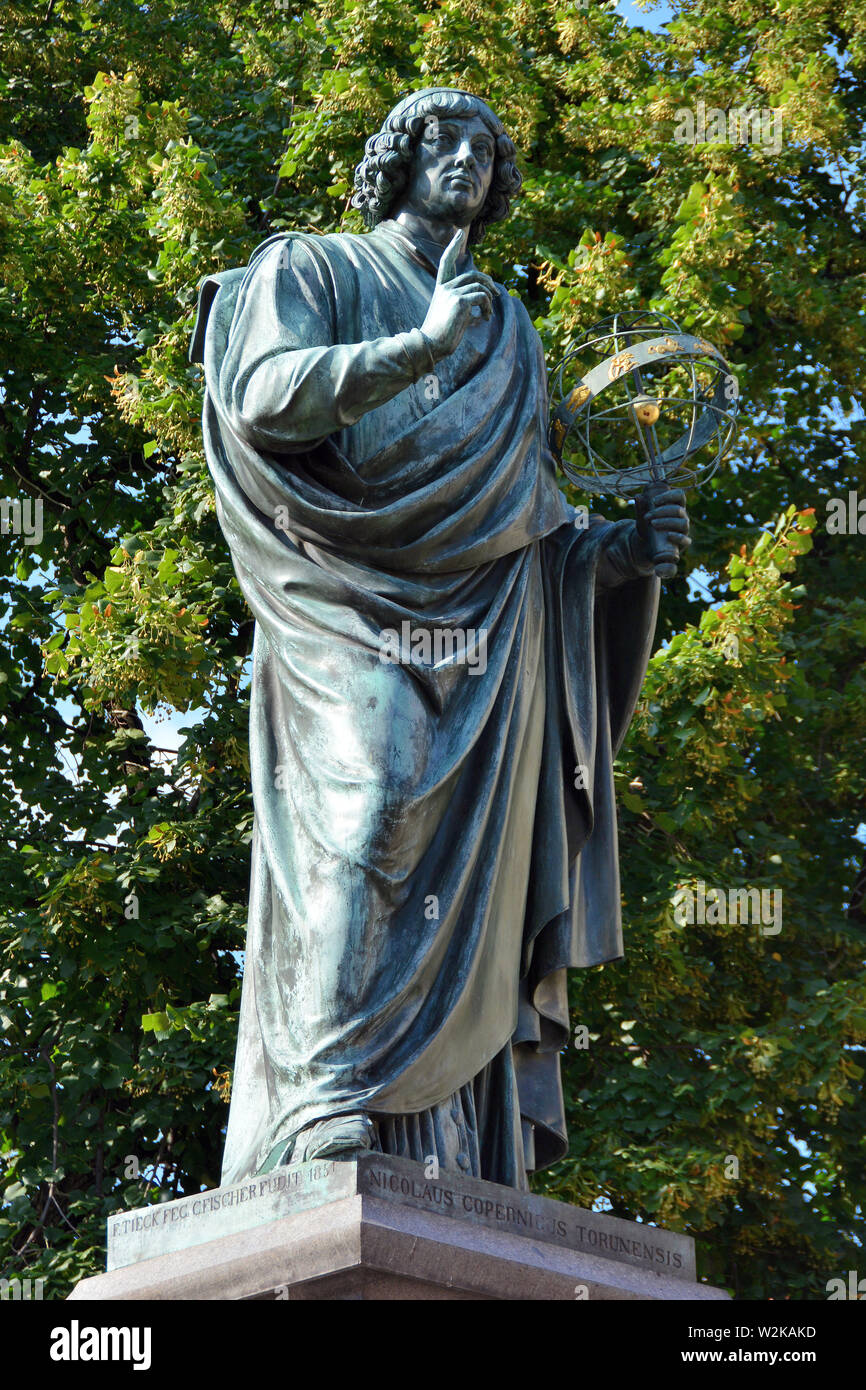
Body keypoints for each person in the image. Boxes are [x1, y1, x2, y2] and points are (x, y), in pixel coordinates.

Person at [191, 87, 690, 1190]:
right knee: (368, 809)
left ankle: (448, 1148)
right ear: (396, 157)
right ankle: (325, 1099)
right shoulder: (310, 267)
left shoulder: (508, 325)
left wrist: (614, 558)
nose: (466, 157)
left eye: (487, 146)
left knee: (480, 881)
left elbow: (528, 525)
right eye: (443, 137)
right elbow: (265, 396)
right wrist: (418, 345)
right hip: (340, 599)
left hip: (486, 631)